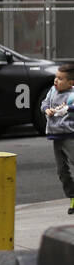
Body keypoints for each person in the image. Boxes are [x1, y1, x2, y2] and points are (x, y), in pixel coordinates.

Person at [40, 65, 74, 215]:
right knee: (61, 170)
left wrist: (68, 108)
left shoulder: (72, 94)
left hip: (70, 135)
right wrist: (46, 109)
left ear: (71, 83)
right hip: (56, 136)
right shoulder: (53, 91)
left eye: (60, 79)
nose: (56, 80)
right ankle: (72, 196)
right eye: (56, 77)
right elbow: (45, 103)